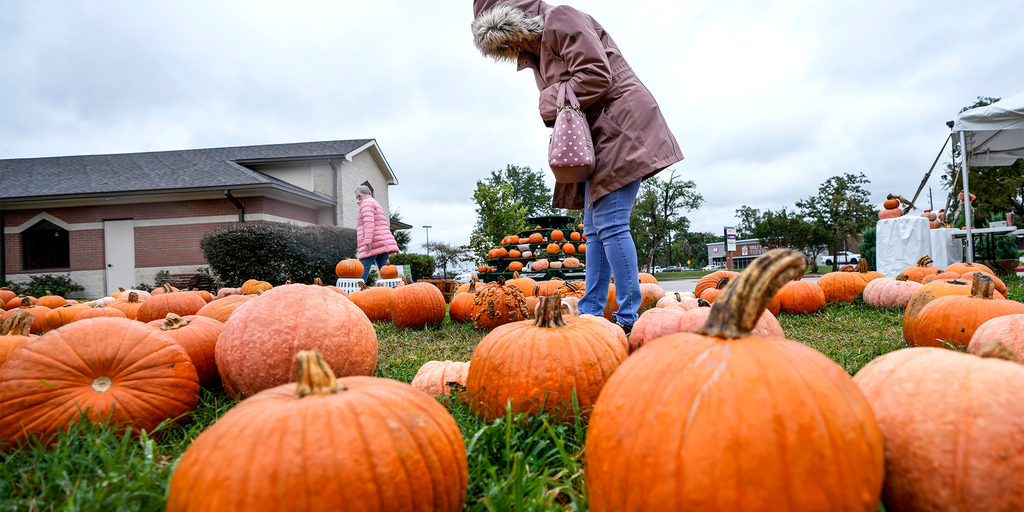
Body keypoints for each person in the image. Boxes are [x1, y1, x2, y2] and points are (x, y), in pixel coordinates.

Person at [471, 0, 683, 333]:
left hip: (620, 123)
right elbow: (568, 97)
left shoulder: (560, 18)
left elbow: (597, 75)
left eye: (507, 39)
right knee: (594, 227)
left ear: (516, 19)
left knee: (611, 222)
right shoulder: (535, 50)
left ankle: (629, 319)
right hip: (597, 134)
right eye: (501, 47)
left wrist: (547, 99)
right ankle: (591, 313)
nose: (510, 50)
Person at [354, 186, 399, 283]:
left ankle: (358, 291)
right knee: (386, 270)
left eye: (359, 196)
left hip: (373, 242)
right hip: (381, 241)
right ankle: (392, 291)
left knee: (363, 267)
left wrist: (367, 241)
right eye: (356, 197)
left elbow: (369, 223)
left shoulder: (366, 204)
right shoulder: (374, 203)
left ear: (367, 193)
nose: (358, 199)